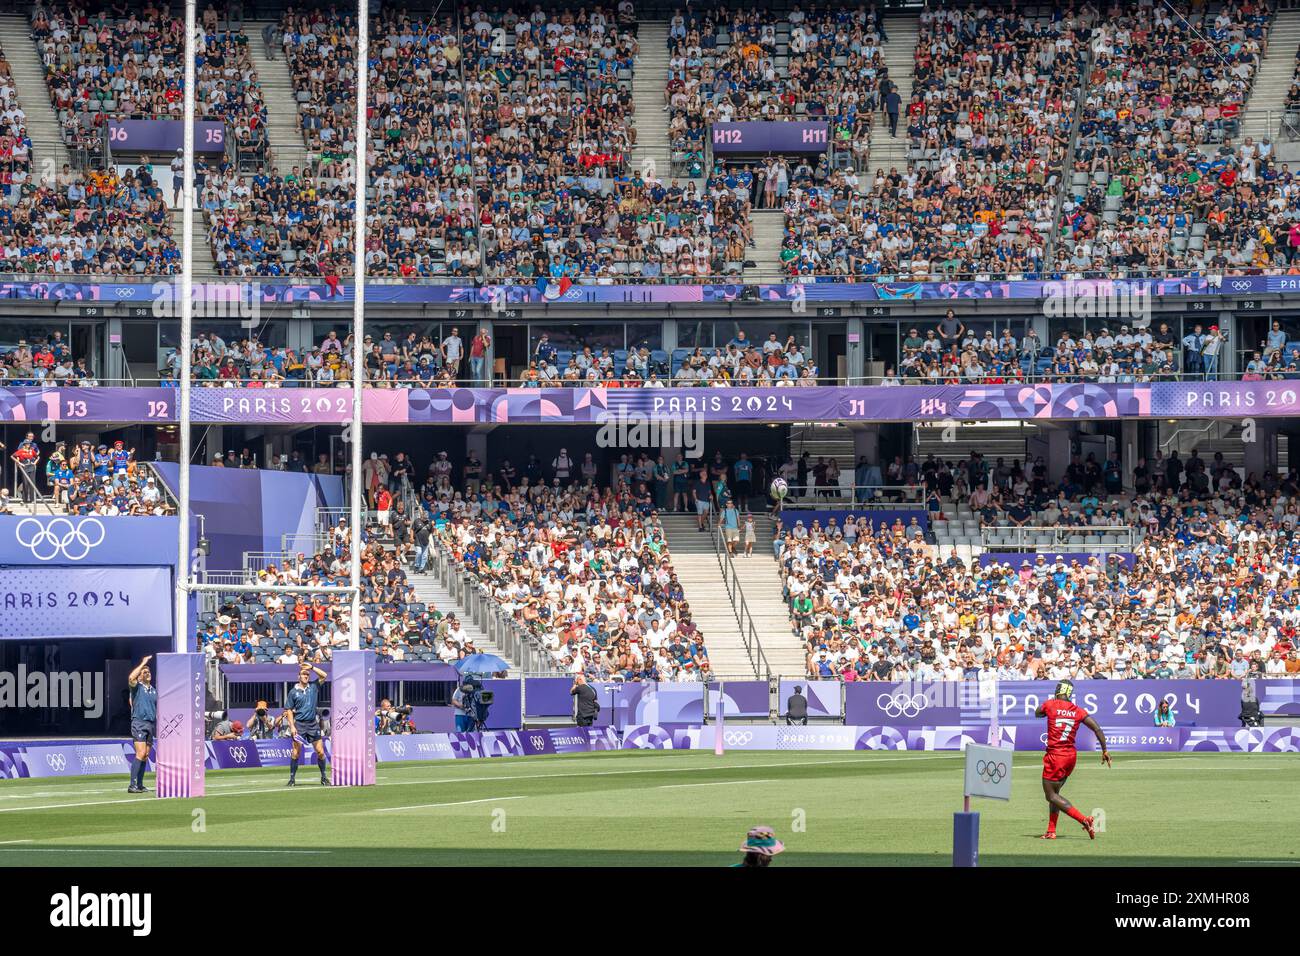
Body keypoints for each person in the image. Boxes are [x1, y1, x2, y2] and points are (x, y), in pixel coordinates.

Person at [1035, 679, 1110, 839]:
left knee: (1051, 796)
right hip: (1070, 757)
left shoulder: (1050, 704)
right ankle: (1051, 831)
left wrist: (1047, 711)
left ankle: (1084, 820)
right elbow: (1097, 728)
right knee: (1056, 794)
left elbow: (1037, 712)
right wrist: (1104, 750)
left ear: (1058, 690)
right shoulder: (1077, 710)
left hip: (1056, 756)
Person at [283, 663, 330, 786]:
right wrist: (292, 726)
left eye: (307, 674)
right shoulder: (293, 692)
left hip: (313, 724)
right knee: (296, 752)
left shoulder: (313, 686)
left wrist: (312, 667)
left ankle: (324, 777)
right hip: (299, 725)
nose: (306, 676)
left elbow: (324, 675)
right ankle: (292, 779)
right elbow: (288, 710)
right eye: (303, 674)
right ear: (298, 676)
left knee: (320, 751)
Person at [126, 655, 156, 794]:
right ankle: (132, 785)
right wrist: (142, 663)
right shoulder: (137, 687)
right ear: (140, 677)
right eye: (144, 672)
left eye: (148, 671)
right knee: (141, 753)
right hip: (139, 722)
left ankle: (140, 784)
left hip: (150, 724)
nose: (147, 673)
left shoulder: (153, 690)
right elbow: (131, 678)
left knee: (146, 755)